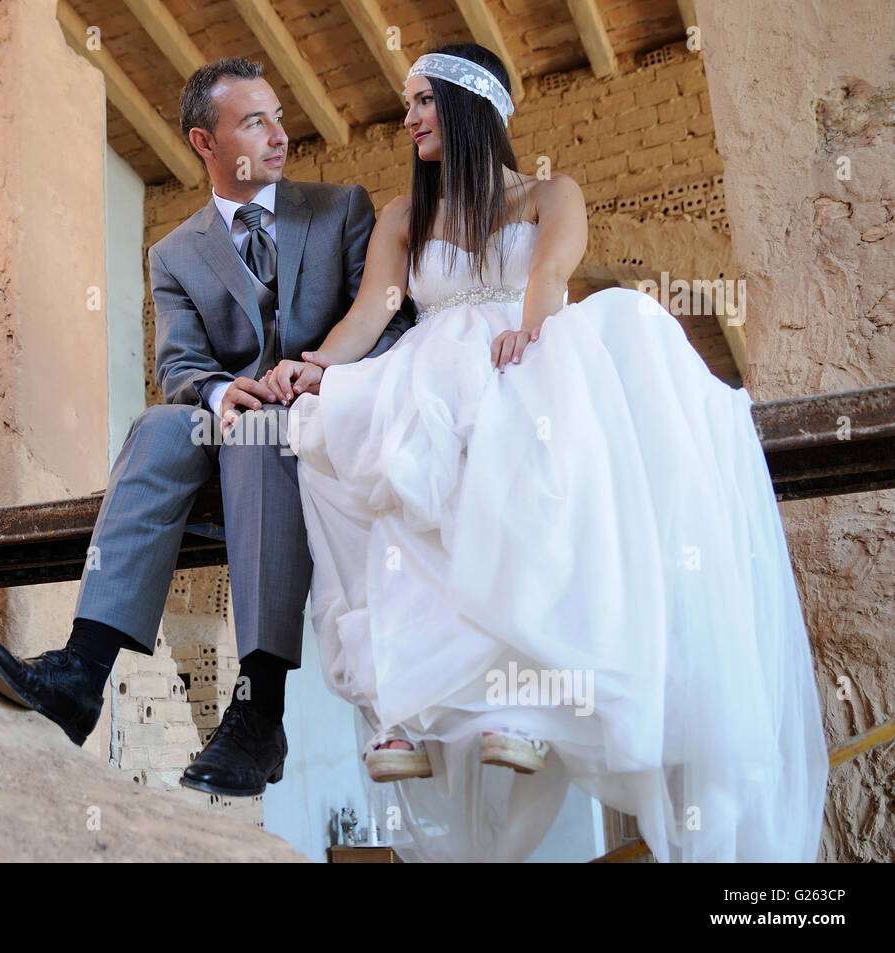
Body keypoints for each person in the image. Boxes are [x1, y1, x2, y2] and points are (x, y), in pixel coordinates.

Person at [264, 43, 829, 862]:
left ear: (467, 109)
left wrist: (529, 329)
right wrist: (314, 365)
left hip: (514, 348)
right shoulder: (401, 216)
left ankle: (522, 699)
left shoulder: (547, 193)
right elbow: (370, 313)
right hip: (427, 368)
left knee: (544, 419)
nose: (411, 118)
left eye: (424, 102)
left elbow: (554, 267)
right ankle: (407, 703)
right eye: (409, 103)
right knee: (331, 430)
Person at [0, 58, 415, 798]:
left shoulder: (340, 209)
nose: (280, 134)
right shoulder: (172, 254)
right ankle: (83, 670)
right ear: (205, 142)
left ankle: (260, 708)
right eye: (254, 122)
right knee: (159, 425)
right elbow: (180, 365)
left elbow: (390, 322)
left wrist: (317, 375)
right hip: (231, 426)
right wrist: (218, 392)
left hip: (325, 410)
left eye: (277, 115)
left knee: (261, 435)